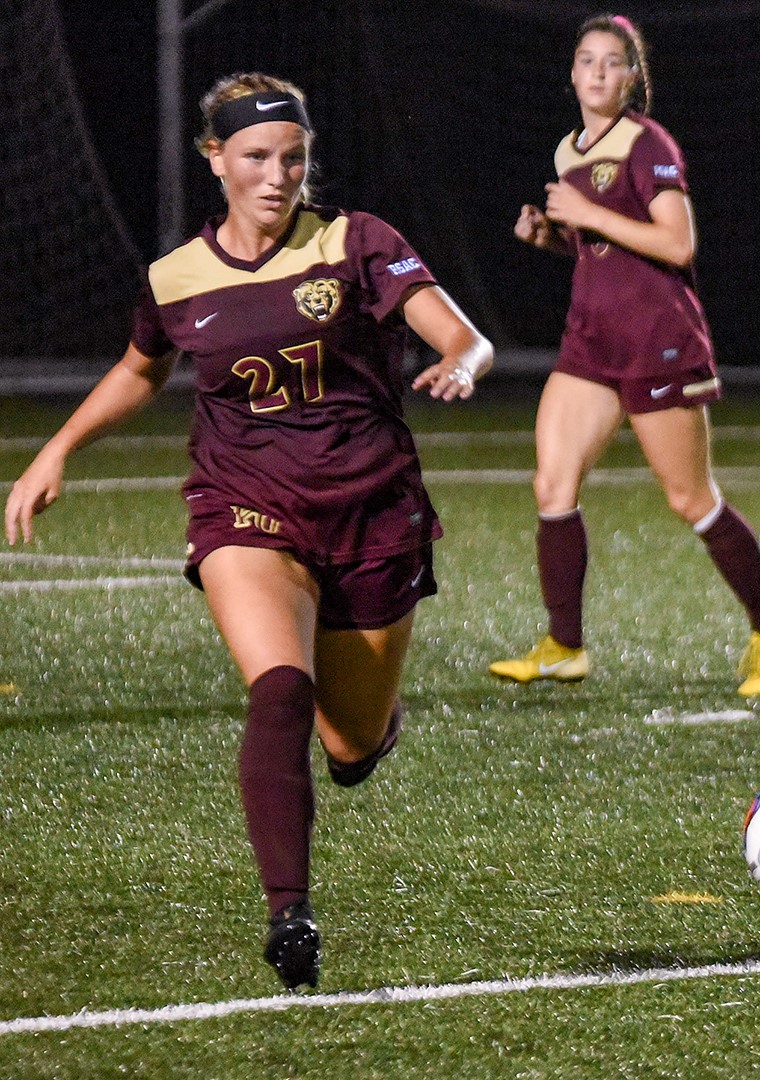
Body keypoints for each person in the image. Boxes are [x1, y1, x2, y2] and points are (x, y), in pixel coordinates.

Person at [4, 73, 493, 991]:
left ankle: (370, 736)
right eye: (258, 158)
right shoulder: (177, 277)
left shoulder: (356, 242)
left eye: (294, 158)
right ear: (215, 159)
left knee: (351, 746)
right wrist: (57, 447)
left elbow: (458, 334)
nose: (278, 177)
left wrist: (462, 361)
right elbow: (141, 369)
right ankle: (290, 913)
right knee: (279, 690)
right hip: (244, 505)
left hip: (372, 511)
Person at [489, 13, 760, 696]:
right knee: (552, 486)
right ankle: (564, 644)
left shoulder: (647, 142)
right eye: (586, 60)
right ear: (571, 72)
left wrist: (589, 214)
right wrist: (549, 236)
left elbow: (676, 244)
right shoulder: (568, 151)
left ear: (633, 77)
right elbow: (598, 250)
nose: (598, 72)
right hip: (590, 341)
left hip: (658, 339)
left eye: (612, 62)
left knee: (690, 498)